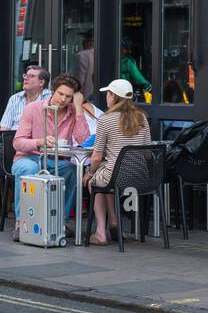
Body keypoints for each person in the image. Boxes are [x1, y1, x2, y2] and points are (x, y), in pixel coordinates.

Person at [11, 74, 91, 241]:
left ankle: (59, 222)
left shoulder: (72, 111)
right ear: (53, 92)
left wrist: (78, 109)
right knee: (29, 169)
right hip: (29, 157)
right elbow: (18, 143)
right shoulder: (33, 109)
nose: (63, 99)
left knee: (72, 170)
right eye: (60, 94)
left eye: (68, 96)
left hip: (56, 160)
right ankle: (22, 223)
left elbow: (83, 140)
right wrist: (40, 142)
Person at [86, 79, 152, 245]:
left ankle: (101, 231)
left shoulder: (106, 120)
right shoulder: (142, 118)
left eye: (108, 94)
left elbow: (96, 157)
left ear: (113, 96)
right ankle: (114, 222)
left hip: (115, 178)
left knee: (95, 181)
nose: (106, 97)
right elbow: (148, 153)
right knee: (105, 175)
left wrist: (89, 173)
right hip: (140, 179)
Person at [1, 64, 51, 131]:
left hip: (39, 138)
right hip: (13, 137)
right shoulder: (15, 98)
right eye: (25, 75)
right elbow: (5, 127)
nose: (25, 78)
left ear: (41, 82)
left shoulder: (50, 98)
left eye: (31, 76)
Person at [74, 34, 95, 100]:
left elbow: (80, 77)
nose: (82, 43)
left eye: (84, 41)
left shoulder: (82, 55)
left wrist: (76, 92)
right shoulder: (98, 53)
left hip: (85, 94)